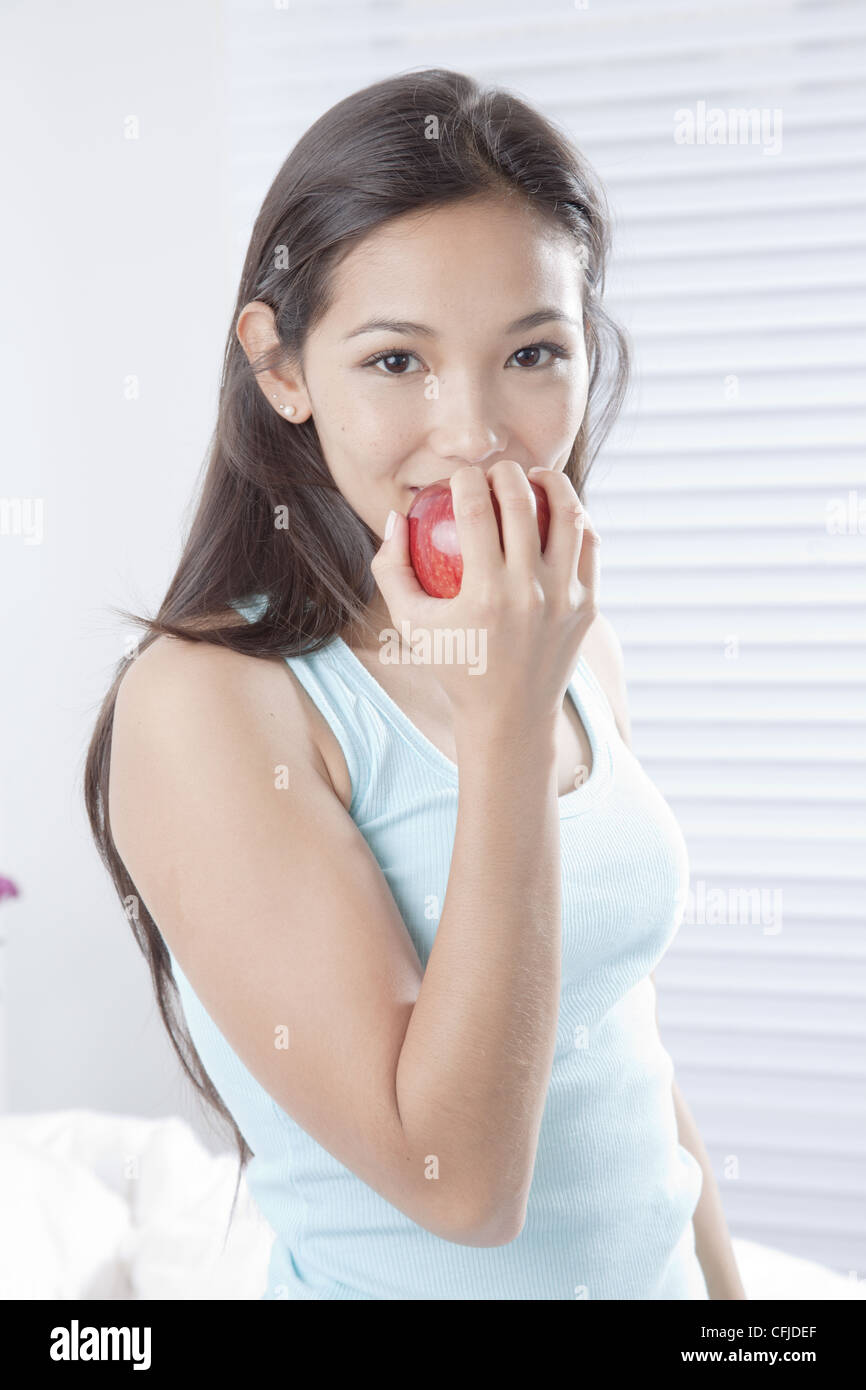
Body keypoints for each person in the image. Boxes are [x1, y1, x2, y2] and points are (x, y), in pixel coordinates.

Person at [86, 67, 746, 1300]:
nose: (475, 431)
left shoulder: (565, 645)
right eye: (396, 361)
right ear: (281, 369)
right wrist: (501, 726)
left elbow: (623, 1063)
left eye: (532, 352)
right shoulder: (206, 706)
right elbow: (461, 1184)